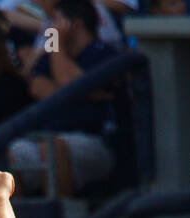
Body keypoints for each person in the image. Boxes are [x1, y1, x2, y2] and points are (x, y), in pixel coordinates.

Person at [12, 0, 119, 196]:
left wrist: (56, 44)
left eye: (57, 21)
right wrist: (77, 95)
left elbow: (68, 83)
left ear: (76, 24)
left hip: (95, 141)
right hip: (53, 136)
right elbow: (37, 87)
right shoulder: (54, 54)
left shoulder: (103, 53)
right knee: (12, 152)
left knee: (53, 148)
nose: (51, 27)